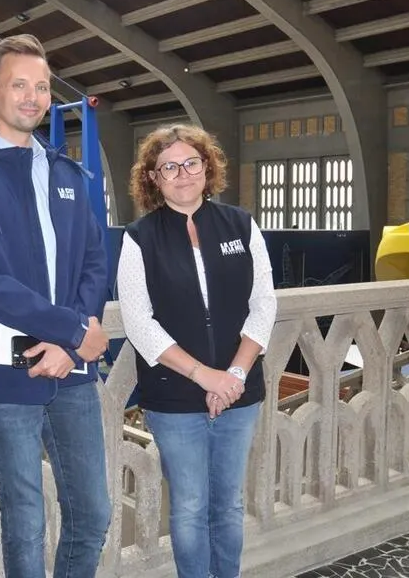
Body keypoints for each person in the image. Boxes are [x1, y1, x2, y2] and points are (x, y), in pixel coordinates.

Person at [0, 34, 112, 578]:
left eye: (42, 87)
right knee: (25, 515)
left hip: (72, 369)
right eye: (19, 85)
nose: (33, 97)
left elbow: (93, 262)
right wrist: (73, 329)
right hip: (6, 368)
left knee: (93, 512)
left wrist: (69, 341)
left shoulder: (68, 175)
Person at [116, 125, 276, 578]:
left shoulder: (240, 225)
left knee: (228, 504)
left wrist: (235, 376)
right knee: (188, 507)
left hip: (239, 391)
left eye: (191, 163)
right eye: (169, 167)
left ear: (208, 168)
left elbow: (263, 304)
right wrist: (204, 376)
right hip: (174, 395)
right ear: (153, 178)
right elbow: (139, 323)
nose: (182, 174)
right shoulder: (139, 238)